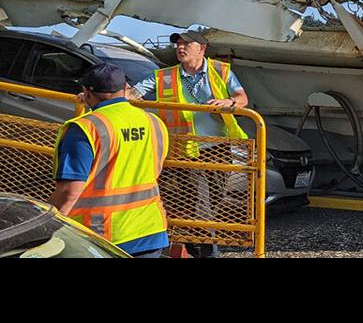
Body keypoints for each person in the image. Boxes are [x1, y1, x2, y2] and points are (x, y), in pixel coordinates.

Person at [130, 30, 250, 258]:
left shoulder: (220, 71)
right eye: (178, 44)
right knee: (200, 205)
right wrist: (117, 95)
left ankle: (190, 245)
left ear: (201, 49)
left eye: (186, 44)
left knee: (210, 203)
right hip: (182, 150)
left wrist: (229, 101)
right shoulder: (164, 76)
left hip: (216, 148)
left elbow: (242, 99)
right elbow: (134, 93)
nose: (180, 47)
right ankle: (205, 252)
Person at [52, 63, 170, 258]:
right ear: (125, 89)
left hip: (101, 238)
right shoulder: (153, 122)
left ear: (86, 92)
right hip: (150, 229)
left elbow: (69, 193)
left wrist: (44, 226)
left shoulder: (85, 129)